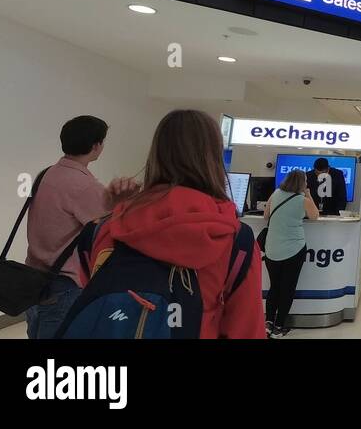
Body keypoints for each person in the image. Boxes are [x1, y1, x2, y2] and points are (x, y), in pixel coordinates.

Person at [79, 110, 265, 338]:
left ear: (156, 153)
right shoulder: (235, 239)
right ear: (213, 158)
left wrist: (115, 210)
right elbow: (246, 328)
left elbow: (95, 296)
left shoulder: (107, 228)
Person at [24, 115, 140, 339]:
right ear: (96, 146)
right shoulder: (84, 185)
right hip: (62, 284)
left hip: (33, 277)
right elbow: (113, 228)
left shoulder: (45, 174)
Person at [264, 168, 320, 338]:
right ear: (303, 184)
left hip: (272, 248)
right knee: (287, 289)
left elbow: (266, 216)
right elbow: (315, 216)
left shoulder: (275, 194)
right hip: (293, 250)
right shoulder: (302, 200)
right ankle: (280, 326)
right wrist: (308, 195)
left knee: (274, 287)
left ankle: (268, 323)